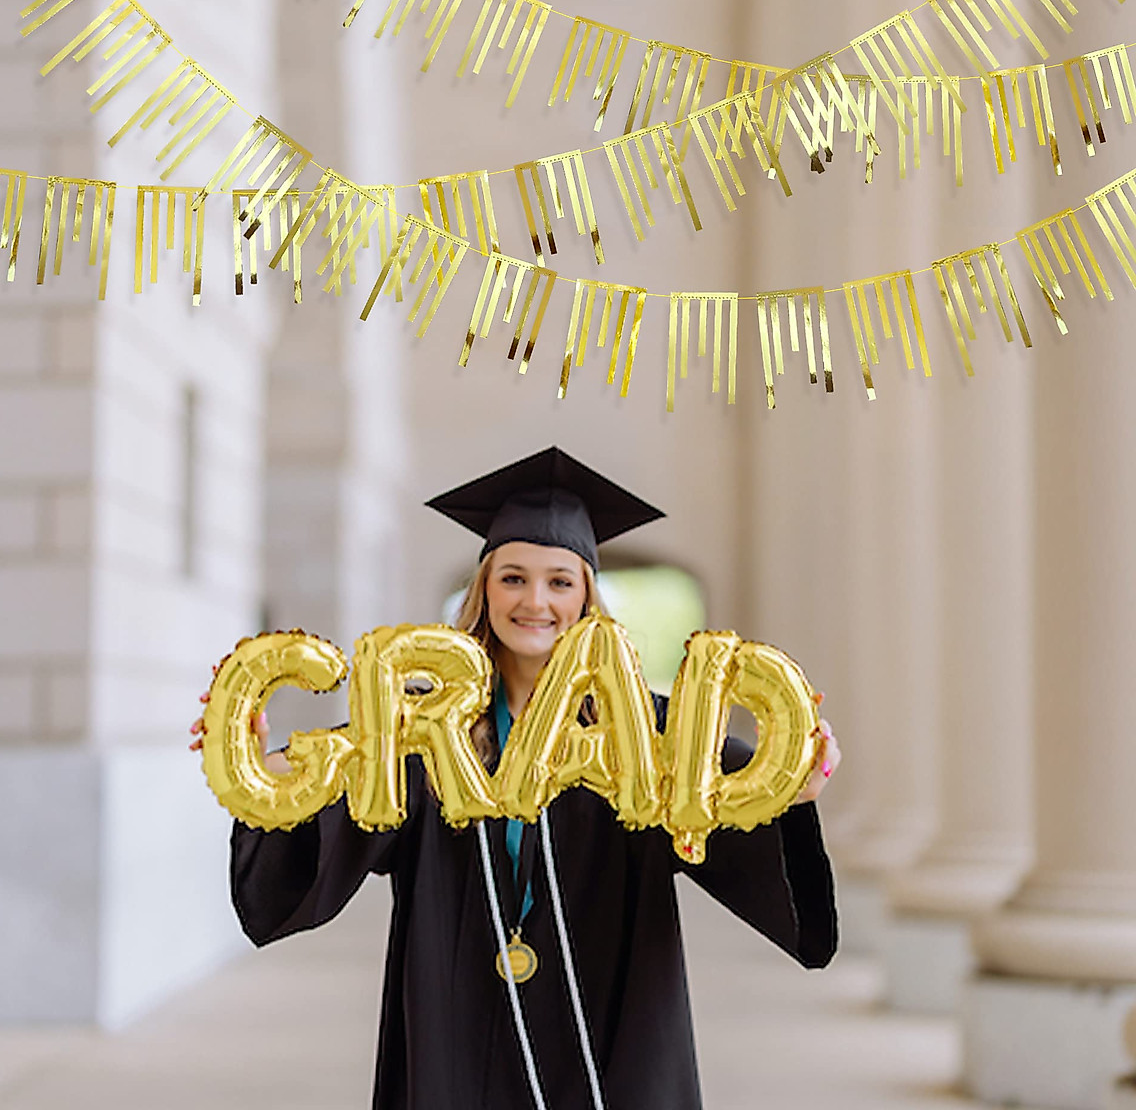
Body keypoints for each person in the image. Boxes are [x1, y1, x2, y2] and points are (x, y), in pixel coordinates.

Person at [189, 446, 841, 1110]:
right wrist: (260, 762)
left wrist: (799, 778)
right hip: (461, 1017)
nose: (536, 601)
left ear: (587, 596)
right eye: (513, 579)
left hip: (606, 1011)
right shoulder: (423, 726)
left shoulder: (647, 733)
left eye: (560, 581)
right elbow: (334, 794)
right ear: (484, 590)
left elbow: (740, 794)